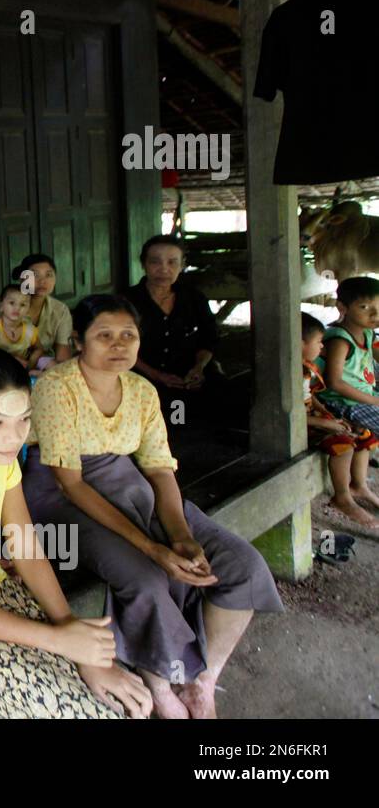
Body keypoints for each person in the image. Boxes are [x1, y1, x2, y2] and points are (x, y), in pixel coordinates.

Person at [23, 295, 283, 719]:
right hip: (58, 491)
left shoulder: (142, 391)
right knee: (145, 576)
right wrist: (152, 547)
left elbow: (160, 470)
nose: (118, 345)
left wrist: (180, 535)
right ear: (79, 341)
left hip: (128, 483)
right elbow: (69, 483)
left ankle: (203, 682)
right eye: (103, 336)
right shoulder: (58, 386)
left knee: (241, 564)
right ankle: (161, 686)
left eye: (128, 335)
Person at [0, 347, 152, 718]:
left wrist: (73, 636)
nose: (14, 437)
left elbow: (26, 550)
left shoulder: (0, 462)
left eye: (23, 419)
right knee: (71, 708)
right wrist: (61, 640)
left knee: (101, 695)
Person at [121, 235, 233, 425]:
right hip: (142, 374)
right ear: (143, 264)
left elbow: (209, 337)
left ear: (182, 265)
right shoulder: (127, 300)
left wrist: (199, 367)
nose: (164, 269)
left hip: (186, 376)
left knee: (222, 397)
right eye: (155, 261)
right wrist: (156, 375)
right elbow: (119, 346)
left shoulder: (193, 298)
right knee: (160, 413)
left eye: (172, 262)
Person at [301, 313, 379, 528]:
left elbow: (310, 397)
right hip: (301, 426)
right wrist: (327, 423)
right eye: (319, 343)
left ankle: (359, 485)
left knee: (364, 433)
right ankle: (342, 497)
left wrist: (325, 412)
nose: (322, 350)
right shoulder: (293, 372)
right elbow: (293, 412)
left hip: (315, 416)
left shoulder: (309, 368)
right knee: (343, 441)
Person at [0, 254, 73, 366]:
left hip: (42, 366)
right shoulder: (0, 308)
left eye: (48, 275)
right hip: (2, 366)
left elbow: (63, 359)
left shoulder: (60, 310)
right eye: (34, 275)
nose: (42, 281)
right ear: (22, 279)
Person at [316, 276, 379, 435]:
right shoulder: (340, 340)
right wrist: (376, 401)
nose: (375, 314)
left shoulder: (367, 333)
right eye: (364, 307)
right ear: (342, 307)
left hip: (365, 396)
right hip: (342, 402)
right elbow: (334, 382)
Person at [0, 285, 45, 372]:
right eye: (12, 303)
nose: (17, 308)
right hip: (1, 368)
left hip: (23, 368)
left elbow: (39, 348)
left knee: (48, 363)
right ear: (1, 306)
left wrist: (31, 362)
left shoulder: (30, 330)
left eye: (23, 305)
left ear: (28, 310)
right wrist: (12, 359)